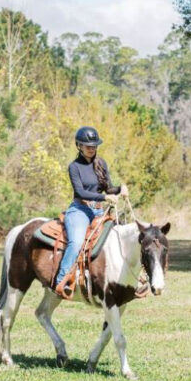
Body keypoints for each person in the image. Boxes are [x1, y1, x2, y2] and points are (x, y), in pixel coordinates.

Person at [54, 125, 126, 299]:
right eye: (88, 146)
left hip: (98, 211)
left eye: (94, 145)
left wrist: (120, 189)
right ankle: (61, 280)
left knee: (119, 237)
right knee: (76, 242)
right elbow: (80, 192)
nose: (92, 148)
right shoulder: (74, 167)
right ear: (79, 145)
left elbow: (107, 188)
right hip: (80, 210)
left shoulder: (101, 163)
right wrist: (104, 198)